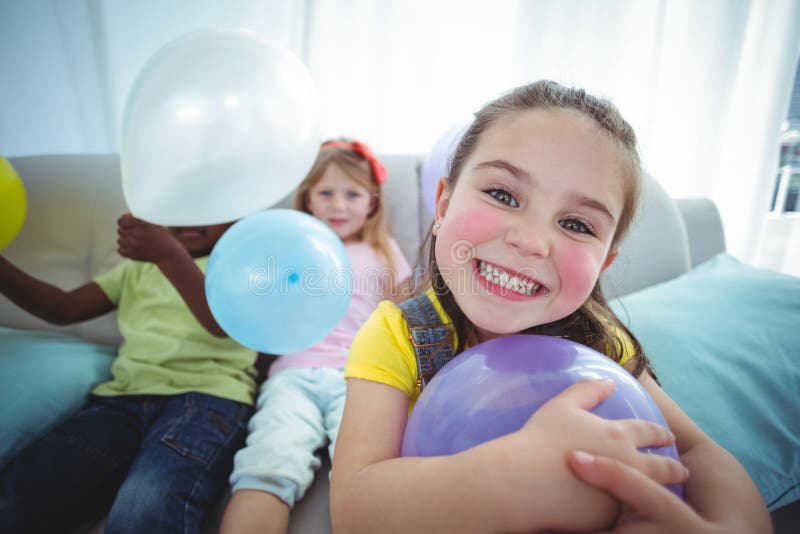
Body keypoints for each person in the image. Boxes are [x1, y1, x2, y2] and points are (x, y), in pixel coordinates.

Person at [330, 81, 771, 533]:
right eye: (503, 195)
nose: (531, 241)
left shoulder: (600, 345)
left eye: (576, 224)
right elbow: (352, 509)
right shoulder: (395, 336)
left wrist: (733, 524)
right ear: (442, 205)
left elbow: (697, 452)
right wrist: (508, 475)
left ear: (604, 264)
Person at [0, 214, 257, 533]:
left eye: (206, 208)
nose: (190, 217)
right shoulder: (139, 267)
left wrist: (168, 255)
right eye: (179, 208)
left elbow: (222, 324)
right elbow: (64, 308)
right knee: (33, 489)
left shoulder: (244, 267)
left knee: (145, 508)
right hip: (120, 401)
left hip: (207, 402)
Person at [219, 139, 412, 534]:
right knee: (269, 461)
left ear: (372, 202)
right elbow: (261, 307)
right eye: (326, 193)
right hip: (294, 374)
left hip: (360, 377)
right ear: (308, 200)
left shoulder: (382, 250)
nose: (338, 205)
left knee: (369, 469)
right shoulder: (290, 249)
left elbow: (407, 311)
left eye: (352, 194)